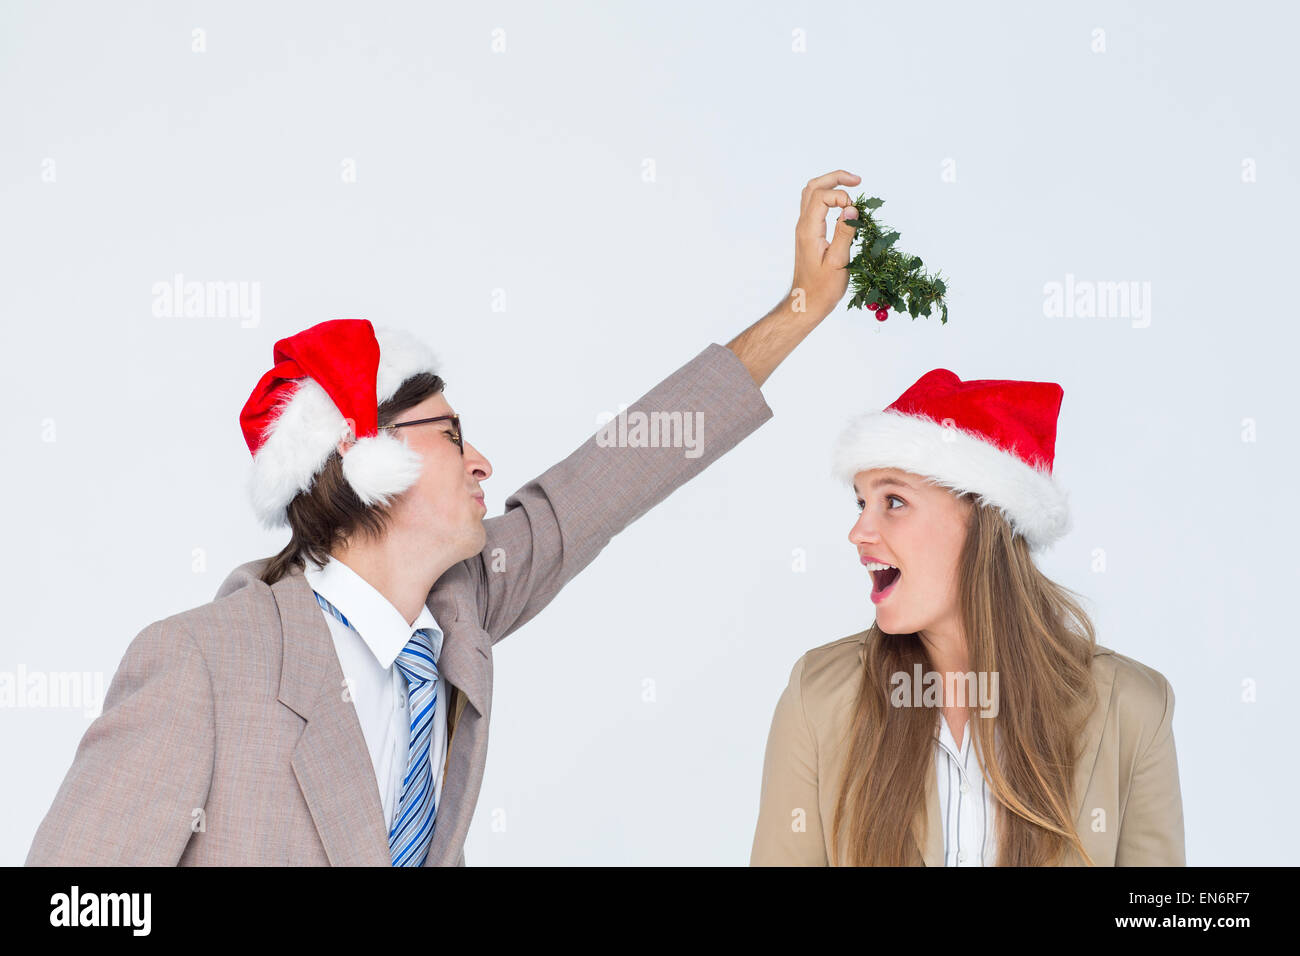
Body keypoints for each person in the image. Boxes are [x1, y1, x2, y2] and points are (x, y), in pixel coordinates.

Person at [26, 170, 865, 867]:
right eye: (452, 435)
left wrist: (798, 308)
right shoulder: (202, 663)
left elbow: (609, 478)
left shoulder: (458, 607)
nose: (483, 462)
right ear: (370, 461)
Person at [750, 369, 1186, 866]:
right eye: (860, 502)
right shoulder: (819, 698)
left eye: (894, 501)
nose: (859, 531)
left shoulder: (1132, 708)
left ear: (986, 520)